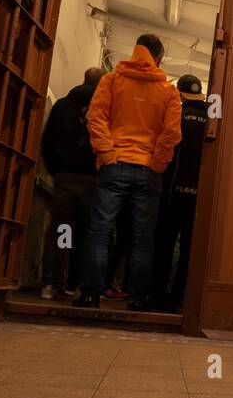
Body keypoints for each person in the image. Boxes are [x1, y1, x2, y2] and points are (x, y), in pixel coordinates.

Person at [75, 34, 181, 311]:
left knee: (100, 230)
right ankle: (136, 298)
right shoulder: (168, 91)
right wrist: (157, 163)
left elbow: (95, 117)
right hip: (148, 170)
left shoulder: (112, 80)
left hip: (115, 164)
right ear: (158, 57)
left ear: (136, 51)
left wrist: (107, 153)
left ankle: (90, 295)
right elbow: (171, 133)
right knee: (142, 237)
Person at [39, 67, 103, 299]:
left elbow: (47, 142)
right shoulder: (103, 108)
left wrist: (56, 169)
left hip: (64, 178)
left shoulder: (61, 106)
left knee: (61, 230)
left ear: (83, 79)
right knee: (84, 235)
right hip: (91, 181)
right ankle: (71, 284)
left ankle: (49, 282)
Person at [151, 73, 208, 312]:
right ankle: (179, 296)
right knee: (189, 249)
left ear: (180, 95)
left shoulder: (177, 116)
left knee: (163, 244)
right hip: (198, 197)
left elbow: (165, 147)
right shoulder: (210, 121)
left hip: (172, 194)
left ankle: (156, 294)